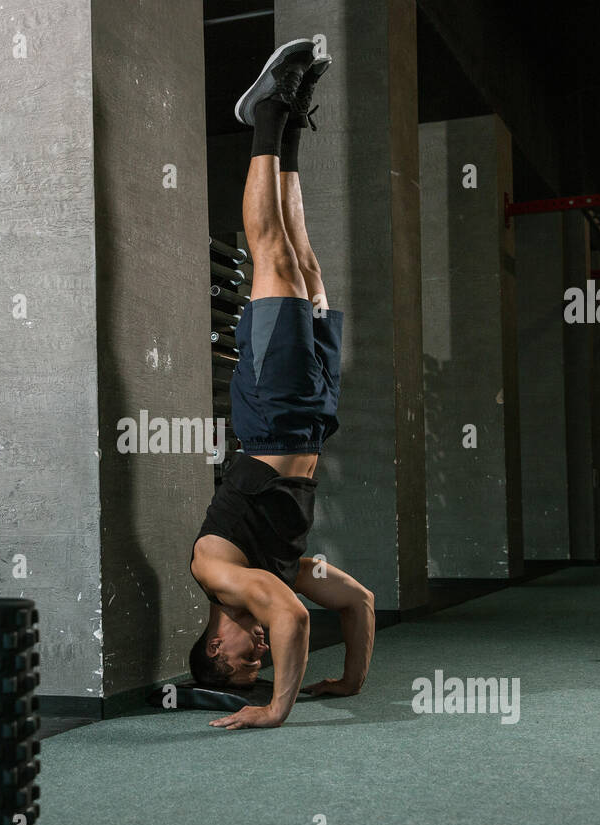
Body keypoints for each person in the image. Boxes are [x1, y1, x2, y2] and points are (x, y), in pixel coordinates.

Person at [189, 38, 376, 730]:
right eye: (260, 666)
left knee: (269, 252)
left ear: (215, 642)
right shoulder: (275, 568)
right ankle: (291, 124)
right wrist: (351, 681)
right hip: (313, 414)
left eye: (244, 660)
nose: (259, 650)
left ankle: (264, 112)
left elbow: (292, 616)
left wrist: (275, 706)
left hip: (272, 412)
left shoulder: (222, 574)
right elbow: (356, 602)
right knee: (307, 265)